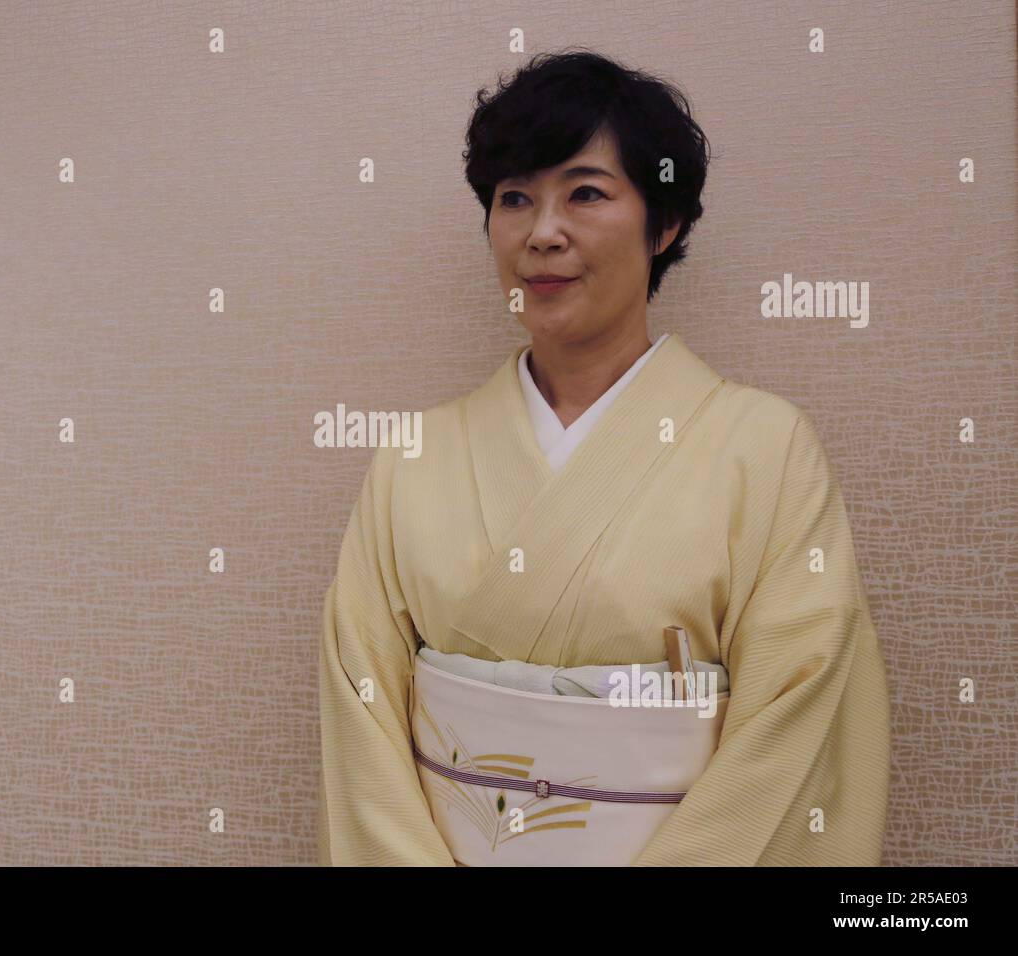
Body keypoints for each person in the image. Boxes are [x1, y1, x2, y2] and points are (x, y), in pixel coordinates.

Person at [316, 49, 891, 866]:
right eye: (515, 198)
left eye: (585, 193)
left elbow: (797, 724)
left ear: (665, 224)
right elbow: (361, 716)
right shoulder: (414, 456)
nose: (543, 232)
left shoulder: (766, 450)